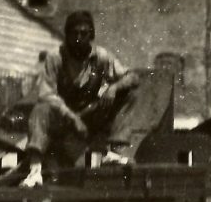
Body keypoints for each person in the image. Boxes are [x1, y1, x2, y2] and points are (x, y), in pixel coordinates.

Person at [22, 10, 139, 187]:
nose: (78, 38)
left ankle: (114, 151)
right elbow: (46, 94)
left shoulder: (101, 56)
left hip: (90, 116)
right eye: (74, 33)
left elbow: (132, 77)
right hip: (63, 118)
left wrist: (113, 87)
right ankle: (35, 170)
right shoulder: (55, 57)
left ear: (91, 34)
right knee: (41, 109)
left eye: (84, 33)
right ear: (67, 35)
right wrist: (72, 117)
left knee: (128, 94)